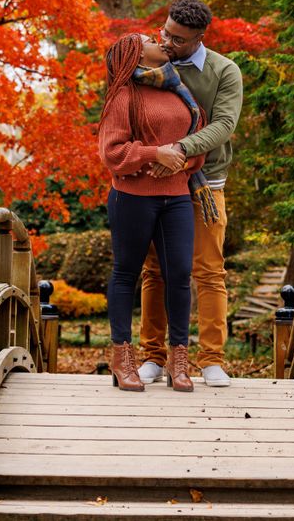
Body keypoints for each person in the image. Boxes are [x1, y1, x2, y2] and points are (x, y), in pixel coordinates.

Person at [138, 0, 243, 388]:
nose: (167, 41)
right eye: (165, 31)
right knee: (155, 270)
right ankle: (152, 356)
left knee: (209, 272)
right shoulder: (148, 62)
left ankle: (212, 359)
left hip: (204, 184)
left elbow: (224, 126)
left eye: (178, 39)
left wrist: (180, 151)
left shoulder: (224, 71)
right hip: (157, 181)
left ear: (200, 37)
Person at [97, 33, 206, 392]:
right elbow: (111, 153)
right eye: (147, 38)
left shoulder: (177, 88)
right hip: (132, 197)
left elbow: (198, 142)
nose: (157, 38)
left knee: (179, 273)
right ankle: (122, 357)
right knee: (126, 273)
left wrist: (180, 160)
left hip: (176, 196)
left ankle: (179, 358)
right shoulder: (123, 97)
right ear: (136, 54)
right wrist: (153, 154)